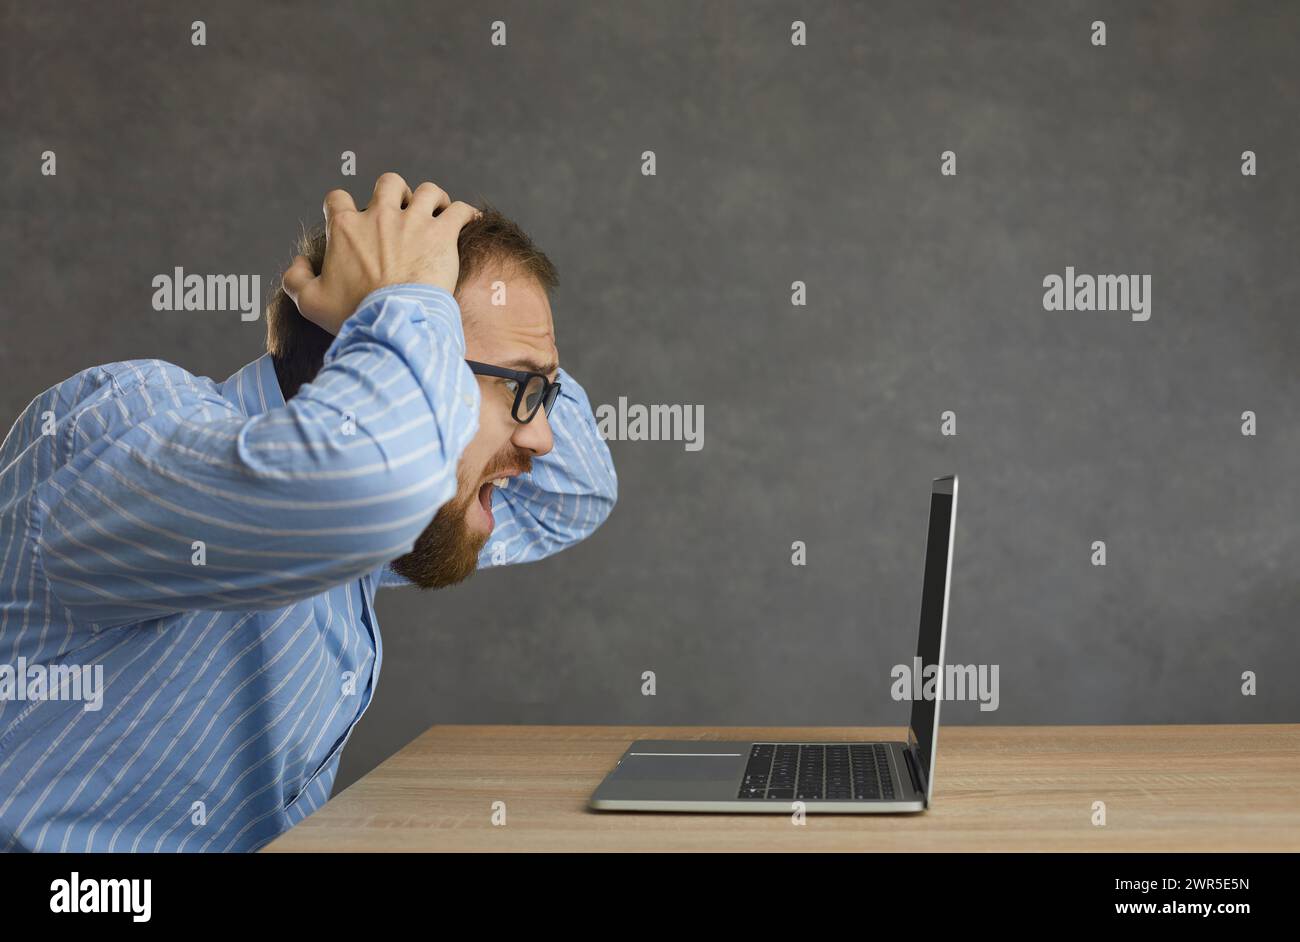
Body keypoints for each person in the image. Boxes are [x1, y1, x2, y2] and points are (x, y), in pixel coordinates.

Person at [0, 173, 617, 851]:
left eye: (544, 394)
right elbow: (354, 490)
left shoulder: (361, 520)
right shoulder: (118, 426)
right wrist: (406, 302)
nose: (543, 437)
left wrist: (451, 323)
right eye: (520, 390)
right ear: (367, 358)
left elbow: (574, 495)